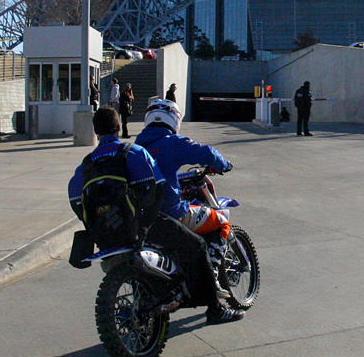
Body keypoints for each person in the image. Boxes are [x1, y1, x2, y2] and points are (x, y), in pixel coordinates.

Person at [68, 107, 243, 325]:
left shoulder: (85, 164)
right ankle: (215, 310)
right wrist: (144, 224)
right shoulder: (133, 152)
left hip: (111, 231)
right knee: (197, 246)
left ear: (95, 131)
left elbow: (76, 200)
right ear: (120, 126)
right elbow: (158, 190)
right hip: (146, 224)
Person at [135, 99, 236, 294]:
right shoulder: (172, 142)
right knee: (221, 221)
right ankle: (212, 276)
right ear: (174, 119)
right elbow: (206, 153)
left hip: (143, 216)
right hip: (171, 213)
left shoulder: (137, 146)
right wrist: (223, 164)